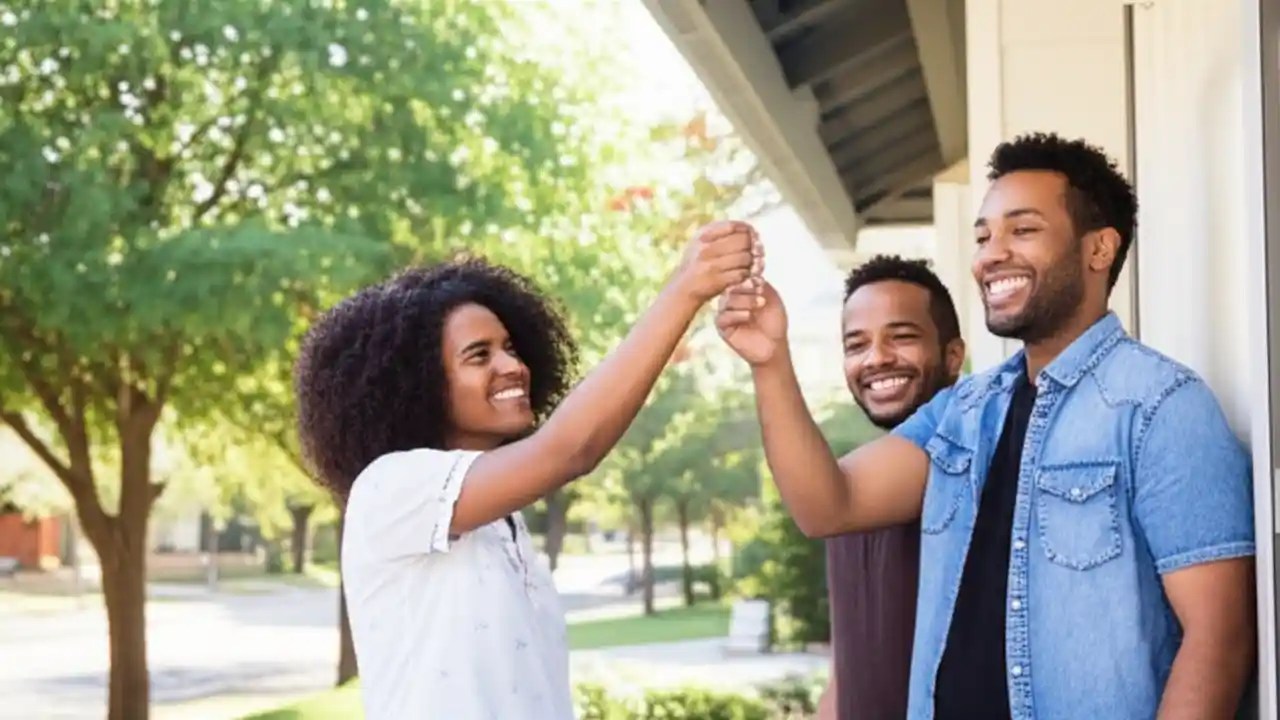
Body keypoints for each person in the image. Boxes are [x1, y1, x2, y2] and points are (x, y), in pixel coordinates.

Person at [717, 133, 1255, 719]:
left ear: (1099, 248)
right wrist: (771, 363)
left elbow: (1218, 639)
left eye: (1022, 230)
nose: (990, 254)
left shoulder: (1161, 407)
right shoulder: (963, 412)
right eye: (983, 236)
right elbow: (829, 504)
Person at [293, 221, 762, 719]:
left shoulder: (502, 522)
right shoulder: (390, 488)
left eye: (511, 348)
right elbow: (571, 449)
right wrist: (685, 291)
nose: (512, 366)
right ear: (418, 383)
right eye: (479, 355)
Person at [814, 255, 965, 720]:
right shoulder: (841, 493)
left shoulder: (969, 478)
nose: (876, 358)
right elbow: (846, 672)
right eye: (856, 344)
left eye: (902, 337)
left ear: (953, 356)